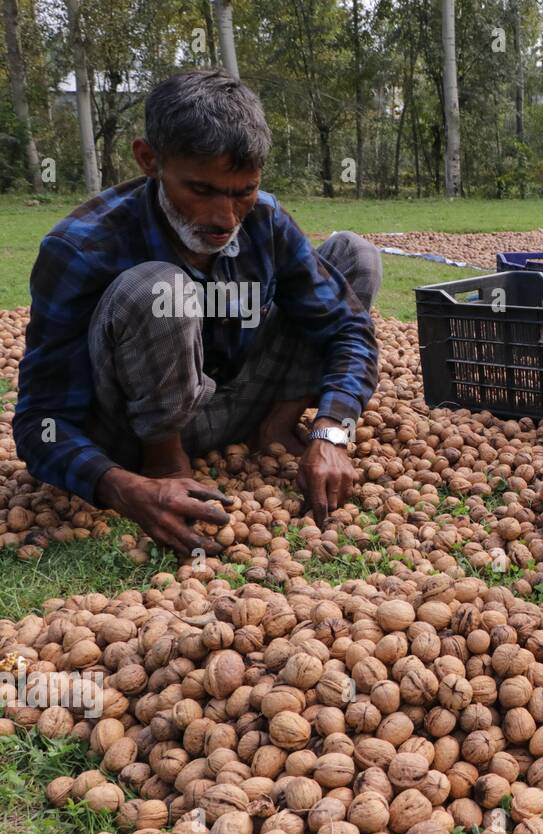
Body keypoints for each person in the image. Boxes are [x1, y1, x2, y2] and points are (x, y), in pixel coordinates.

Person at [16, 69, 381, 558]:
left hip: (237, 404)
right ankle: (166, 464)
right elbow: (41, 421)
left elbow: (350, 330)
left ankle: (274, 426)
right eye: (202, 191)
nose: (224, 219)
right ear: (149, 159)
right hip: (129, 431)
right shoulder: (81, 248)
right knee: (161, 288)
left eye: (242, 191)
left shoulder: (265, 220)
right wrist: (120, 486)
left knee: (355, 254)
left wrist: (332, 430)